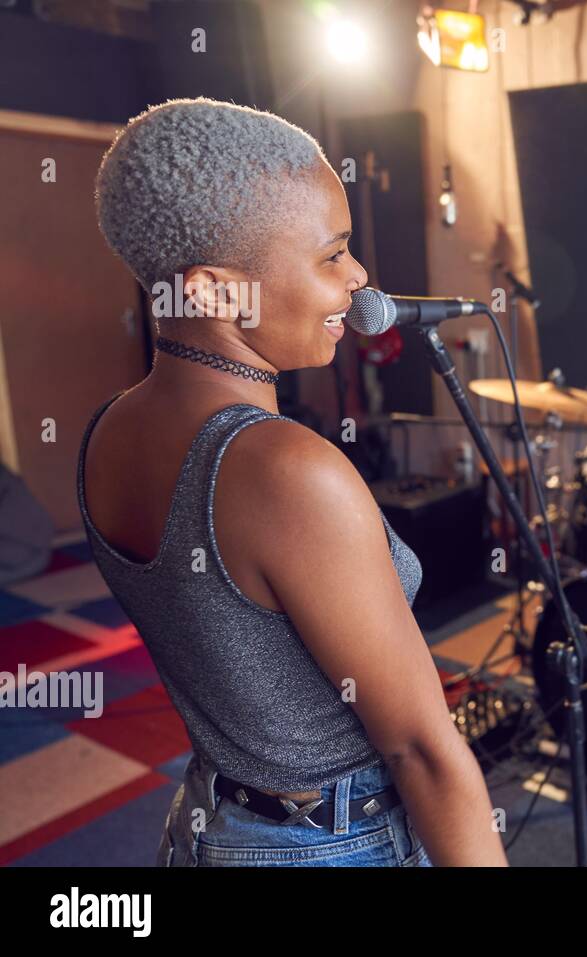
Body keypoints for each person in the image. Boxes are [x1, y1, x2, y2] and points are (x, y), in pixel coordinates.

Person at [82, 97, 505, 866]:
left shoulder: (106, 430)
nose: (359, 276)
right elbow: (422, 749)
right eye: (331, 255)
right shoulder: (284, 470)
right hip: (336, 843)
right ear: (213, 292)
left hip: (215, 824)